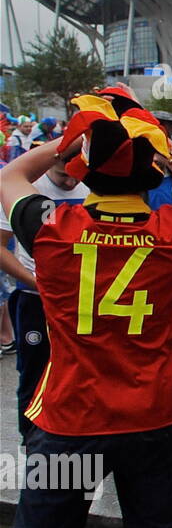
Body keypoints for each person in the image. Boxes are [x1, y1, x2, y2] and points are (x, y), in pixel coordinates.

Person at [1, 93, 172, 528]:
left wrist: (66, 141)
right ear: (154, 170)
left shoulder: (53, 227)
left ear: (84, 166)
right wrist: (161, 143)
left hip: (70, 419)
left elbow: (9, 176)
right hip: (154, 417)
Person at [0, 152, 88, 441]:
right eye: (63, 174)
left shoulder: (92, 188)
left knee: (83, 370)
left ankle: (79, 432)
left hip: (81, 299)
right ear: (51, 163)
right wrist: (36, 283)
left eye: (75, 173)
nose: (70, 180)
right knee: (34, 370)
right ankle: (31, 438)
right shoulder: (27, 190)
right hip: (34, 298)